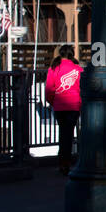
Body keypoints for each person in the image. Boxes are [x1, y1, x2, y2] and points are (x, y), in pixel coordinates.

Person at [45, 44, 83, 174]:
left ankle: (63, 161)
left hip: (59, 106)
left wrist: (54, 102)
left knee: (63, 134)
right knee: (69, 134)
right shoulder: (78, 69)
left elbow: (49, 90)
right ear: (72, 54)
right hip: (74, 106)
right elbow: (82, 88)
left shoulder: (53, 68)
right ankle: (67, 161)